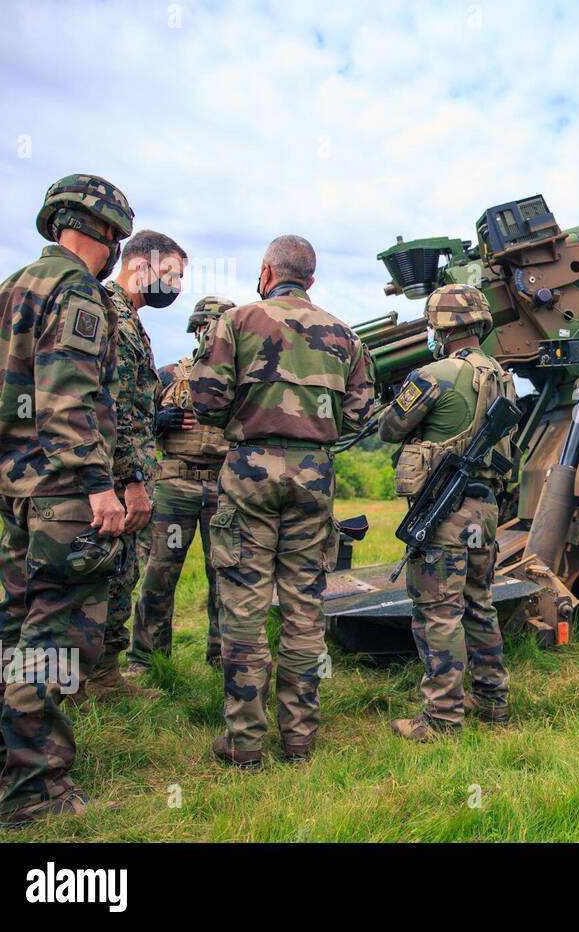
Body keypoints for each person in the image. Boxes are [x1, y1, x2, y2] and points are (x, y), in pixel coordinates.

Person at [0, 174, 137, 827]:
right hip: (68, 494)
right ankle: (34, 787)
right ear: (108, 233)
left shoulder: (8, 291)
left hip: (19, 488)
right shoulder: (77, 294)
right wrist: (99, 484)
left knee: (11, 622)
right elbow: (70, 398)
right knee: (56, 635)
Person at [190, 235, 373, 768]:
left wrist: (246, 423)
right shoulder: (345, 335)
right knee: (304, 607)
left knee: (244, 605)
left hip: (248, 469)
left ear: (267, 271)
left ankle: (244, 745)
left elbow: (204, 401)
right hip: (314, 477)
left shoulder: (237, 321)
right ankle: (299, 741)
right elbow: (361, 417)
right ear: (310, 280)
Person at [381, 283, 516, 742]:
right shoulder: (502, 376)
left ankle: (441, 720)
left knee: (438, 610)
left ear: (439, 327)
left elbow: (390, 427)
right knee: (479, 603)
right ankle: (492, 700)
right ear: (479, 324)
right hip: (485, 508)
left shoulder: (432, 374)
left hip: (447, 510)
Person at [75, 231, 187, 702]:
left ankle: (102, 675)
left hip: (126, 477)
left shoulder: (131, 320)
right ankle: (86, 680)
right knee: (104, 577)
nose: (177, 286)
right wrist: (132, 480)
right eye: (173, 274)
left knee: (120, 575)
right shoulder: (111, 314)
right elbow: (110, 410)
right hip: (117, 482)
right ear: (142, 264)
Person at [127, 296, 235, 676]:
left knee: (225, 574)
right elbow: (131, 420)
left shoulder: (241, 380)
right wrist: (158, 419)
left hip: (223, 487)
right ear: (200, 329)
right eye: (212, 326)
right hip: (175, 486)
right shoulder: (172, 374)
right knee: (161, 572)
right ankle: (147, 658)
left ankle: (222, 655)